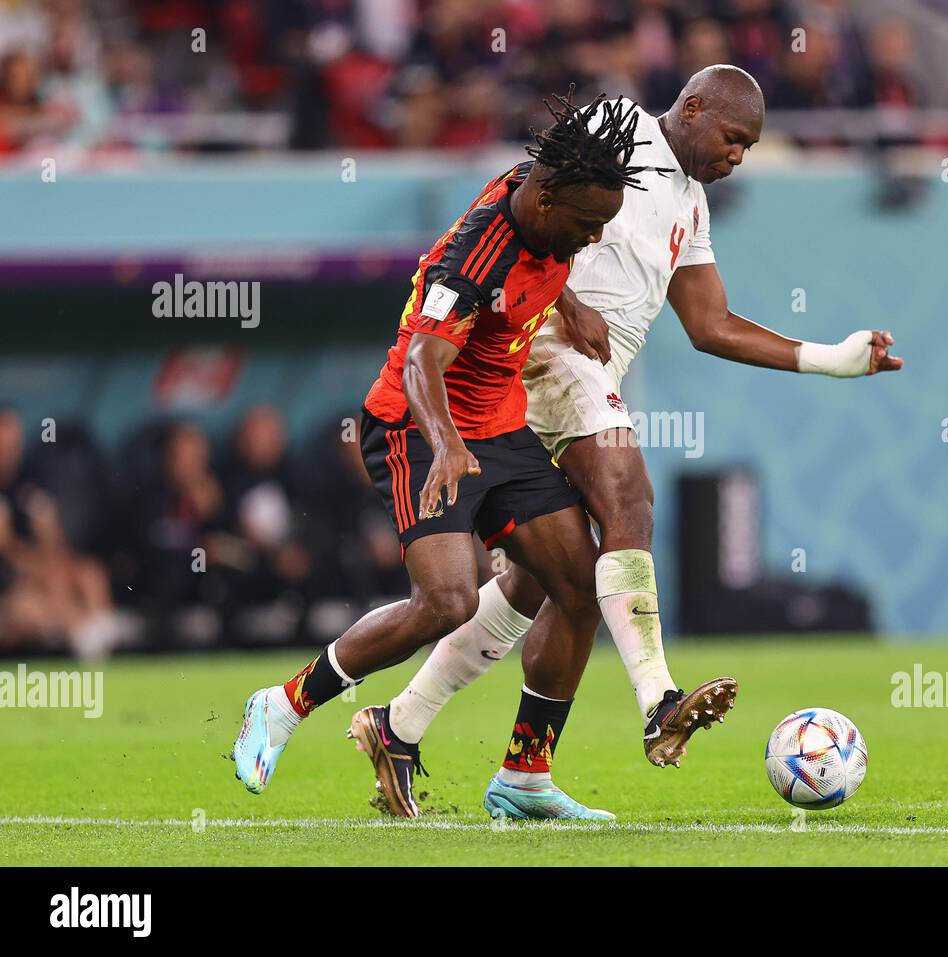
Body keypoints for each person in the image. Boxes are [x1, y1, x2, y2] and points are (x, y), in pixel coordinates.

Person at [373, 65, 903, 816]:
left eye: (749, 148)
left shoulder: (691, 202)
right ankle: (658, 698)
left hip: (582, 376)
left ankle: (427, 735)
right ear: (690, 109)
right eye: (732, 138)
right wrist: (570, 296)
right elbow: (524, 199)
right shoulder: (618, 125)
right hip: (546, 350)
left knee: (548, 584)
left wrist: (833, 358)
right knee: (630, 497)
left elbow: (710, 324)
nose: (737, 157)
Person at [230, 93, 654, 820]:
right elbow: (425, 362)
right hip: (415, 428)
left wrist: (569, 303)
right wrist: (449, 447)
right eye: (587, 226)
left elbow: (535, 276)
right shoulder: (478, 253)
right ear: (548, 202)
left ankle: (523, 778)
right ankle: (283, 703)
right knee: (448, 600)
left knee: (578, 586)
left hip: (498, 426)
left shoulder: (543, 199)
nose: (590, 240)